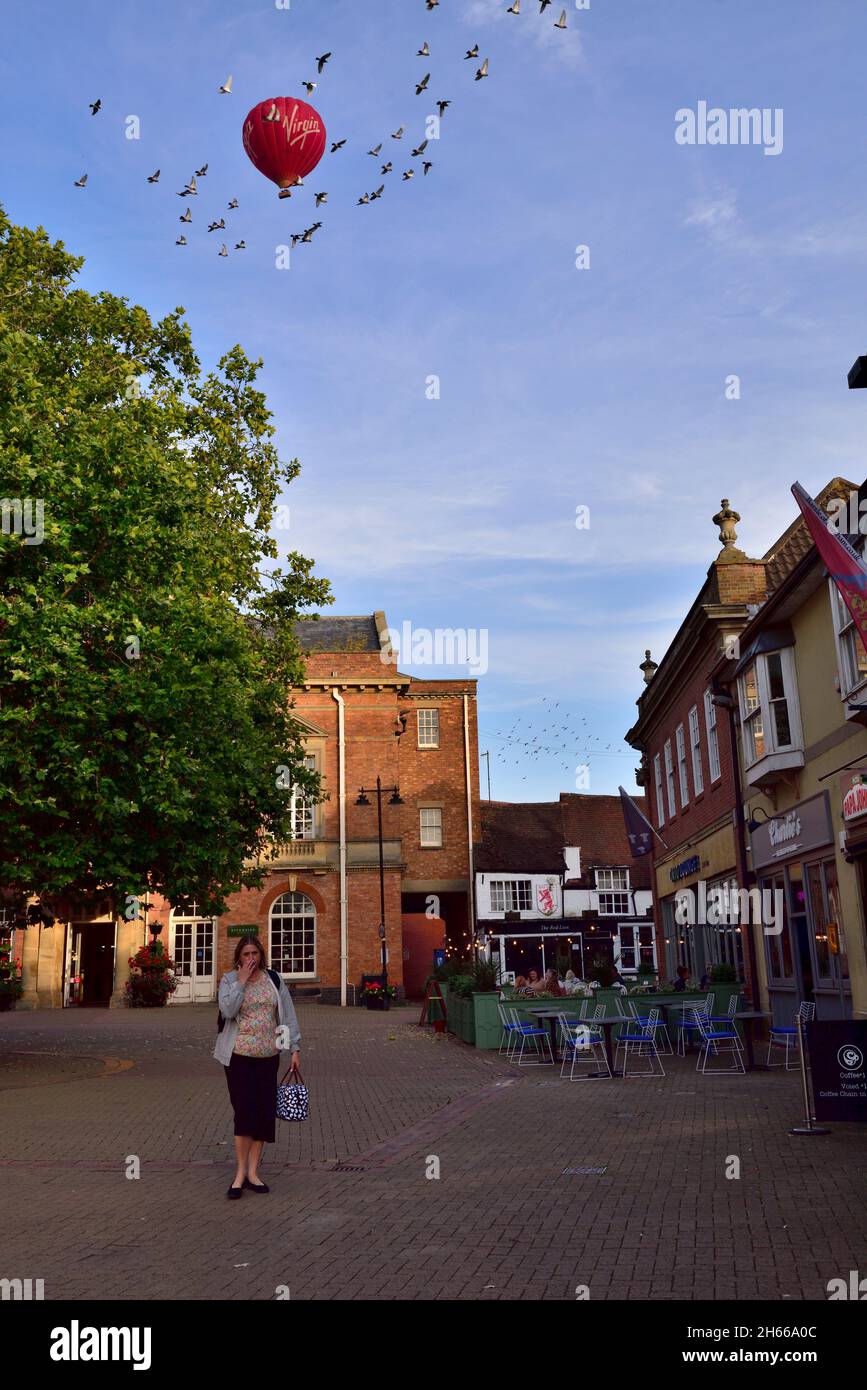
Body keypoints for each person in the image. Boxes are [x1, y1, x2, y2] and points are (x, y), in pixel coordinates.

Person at [214, 935, 301, 1199]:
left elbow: (287, 1013)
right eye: (246, 954)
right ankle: (239, 1175)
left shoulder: (273, 979)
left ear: (261, 955)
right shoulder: (229, 980)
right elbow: (227, 1010)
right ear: (238, 957)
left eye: (255, 953)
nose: (251, 958)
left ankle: (253, 1173)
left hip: (268, 1056)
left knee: (263, 1114)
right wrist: (240, 981)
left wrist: (294, 1048)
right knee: (244, 1113)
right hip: (238, 1057)